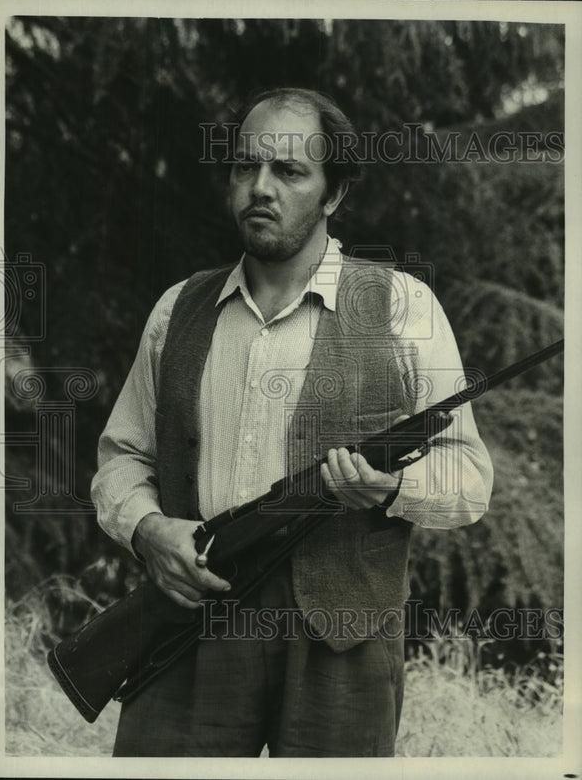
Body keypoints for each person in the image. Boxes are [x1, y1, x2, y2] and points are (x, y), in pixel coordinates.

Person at [91, 87, 493, 757]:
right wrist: (147, 528)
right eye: (245, 167)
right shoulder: (178, 311)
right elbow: (122, 455)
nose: (259, 188)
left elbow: (470, 473)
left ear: (335, 195)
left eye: (289, 172)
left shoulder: (404, 308)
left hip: (343, 642)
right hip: (192, 619)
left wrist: (391, 489)